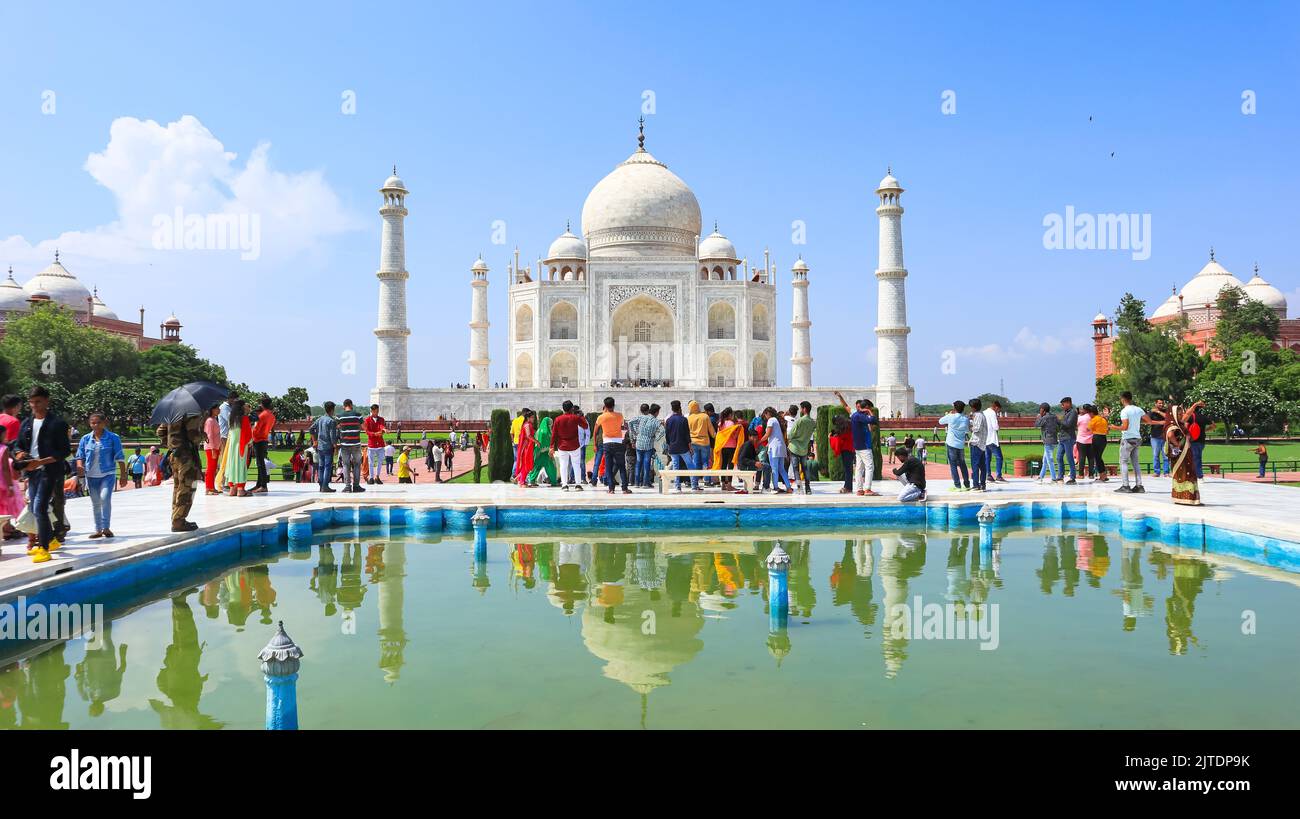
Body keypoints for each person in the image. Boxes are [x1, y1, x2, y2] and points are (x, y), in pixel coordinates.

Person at [15, 387, 71, 562]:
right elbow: (18, 445)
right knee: (34, 508)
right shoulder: (27, 422)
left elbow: (64, 451)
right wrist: (19, 453)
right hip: (32, 471)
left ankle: (44, 548)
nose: (34, 405)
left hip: (49, 471)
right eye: (31, 402)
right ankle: (51, 539)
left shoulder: (57, 424)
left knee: (40, 508)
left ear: (47, 401)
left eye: (38, 401)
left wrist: (40, 462)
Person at [75, 411, 129, 538]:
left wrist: (123, 475)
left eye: (98, 423)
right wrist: (79, 466)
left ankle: (106, 527)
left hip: (107, 474)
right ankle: (98, 529)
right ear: (89, 424)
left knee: (105, 498)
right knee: (95, 503)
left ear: (104, 423)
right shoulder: (85, 439)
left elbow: (120, 457)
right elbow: (80, 455)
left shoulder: (113, 438)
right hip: (91, 475)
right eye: (93, 423)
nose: (96, 425)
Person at [156, 409, 205, 532]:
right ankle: (179, 521)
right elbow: (193, 436)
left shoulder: (172, 412)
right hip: (186, 456)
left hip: (174, 455)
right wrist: (203, 435)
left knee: (178, 487)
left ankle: (176, 517)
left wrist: (172, 444)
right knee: (186, 488)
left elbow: (160, 431)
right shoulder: (192, 412)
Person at [835, 391, 880, 496]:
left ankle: (859, 489)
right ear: (866, 407)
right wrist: (869, 411)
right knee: (869, 467)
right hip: (864, 446)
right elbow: (874, 420)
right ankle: (867, 489)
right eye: (869, 408)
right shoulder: (860, 416)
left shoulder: (855, 415)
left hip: (857, 446)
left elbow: (871, 425)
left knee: (859, 468)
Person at [1166, 405, 1201, 505]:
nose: (1181, 415)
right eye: (1179, 414)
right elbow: (1170, 435)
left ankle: (1187, 498)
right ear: (1173, 414)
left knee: (1188, 474)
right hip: (1180, 455)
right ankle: (1185, 498)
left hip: (1186, 453)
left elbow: (1188, 414)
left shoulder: (1179, 423)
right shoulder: (1172, 425)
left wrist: (1195, 405)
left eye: (1182, 413)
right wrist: (1177, 444)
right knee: (1184, 474)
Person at [552, 401, 588, 491]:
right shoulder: (575, 418)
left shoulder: (558, 419)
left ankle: (564, 485)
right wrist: (581, 416)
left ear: (563, 409)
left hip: (562, 445)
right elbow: (585, 426)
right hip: (574, 445)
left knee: (563, 465)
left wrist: (551, 446)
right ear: (572, 408)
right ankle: (578, 485)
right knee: (576, 465)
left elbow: (554, 434)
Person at [220, 399, 253, 497]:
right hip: (241, 445)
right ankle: (240, 489)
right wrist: (250, 443)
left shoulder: (231, 418)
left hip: (232, 446)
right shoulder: (244, 418)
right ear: (241, 407)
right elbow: (248, 434)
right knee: (240, 466)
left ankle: (232, 489)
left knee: (232, 466)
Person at [597, 397, 630, 494]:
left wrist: (605, 413)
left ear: (605, 406)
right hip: (618, 442)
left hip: (607, 443)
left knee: (608, 466)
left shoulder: (601, 417)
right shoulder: (620, 416)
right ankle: (624, 488)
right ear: (614, 405)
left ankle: (611, 488)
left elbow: (596, 429)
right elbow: (622, 425)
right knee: (621, 466)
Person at [937, 400, 972, 491]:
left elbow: (940, 421)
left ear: (954, 408)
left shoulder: (951, 417)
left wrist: (949, 414)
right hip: (960, 445)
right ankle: (967, 484)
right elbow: (967, 430)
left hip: (951, 443)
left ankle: (957, 486)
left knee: (953, 465)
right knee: (963, 465)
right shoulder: (965, 419)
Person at [1115, 391, 1145, 494]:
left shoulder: (1124, 411)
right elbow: (1148, 420)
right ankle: (1139, 486)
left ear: (1123, 399)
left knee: (1123, 462)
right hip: (1137, 438)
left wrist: (1114, 427)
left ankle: (1126, 486)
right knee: (1135, 462)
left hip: (1127, 439)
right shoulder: (1138, 409)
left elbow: (1125, 427)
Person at [663, 400, 696, 491]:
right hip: (683, 448)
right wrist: (690, 447)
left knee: (676, 467)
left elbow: (667, 435)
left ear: (672, 409)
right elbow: (687, 435)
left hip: (673, 448)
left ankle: (677, 486)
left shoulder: (669, 420)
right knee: (690, 465)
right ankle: (694, 485)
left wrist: (669, 445)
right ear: (680, 408)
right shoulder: (684, 419)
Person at [711, 408, 746, 490]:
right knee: (730, 466)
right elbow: (734, 436)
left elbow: (719, 436)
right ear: (730, 415)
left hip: (723, 446)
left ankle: (723, 484)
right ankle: (729, 485)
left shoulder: (720, 423)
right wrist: (738, 430)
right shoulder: (731, 423)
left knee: (723, 465)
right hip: (731, 447)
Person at [0, 428, 25, 541]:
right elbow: (5, 468)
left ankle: (6, 528)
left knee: (2, 506)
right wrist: (10, 486)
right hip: (4, 481)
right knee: (8, 504)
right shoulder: (4, 449)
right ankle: (7, 529)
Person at [308, 401, 339, 493]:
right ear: (332, 409)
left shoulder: (320, 419)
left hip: (320, 446)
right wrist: (335, 446)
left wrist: (314, 440)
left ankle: (321, 485)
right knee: (327, 467)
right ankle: (325, 486)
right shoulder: (331, 421)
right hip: (328, 446)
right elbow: (332, 436)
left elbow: (311, 429)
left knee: (321, 466)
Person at [336, 399, 365, 493]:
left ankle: (347, 486)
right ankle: (356, 486)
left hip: (345, 444)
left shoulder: (339, 416)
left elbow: (336, 427)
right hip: (356, 443)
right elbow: (364, 427)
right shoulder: (358, 415)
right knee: (357, 465)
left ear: (344, 406)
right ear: (351, 405)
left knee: (346, 465)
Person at [787, 402, 816, 494]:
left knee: (796, 468)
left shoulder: (800, 421)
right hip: (804, 448)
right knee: (805, 468)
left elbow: (790, 435)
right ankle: (808, 488)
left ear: (804, 409)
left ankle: (800, 488)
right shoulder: (812, 422)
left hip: (794, 447)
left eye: (801, 408)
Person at [249, 397, 275, 493]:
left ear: (262, 404)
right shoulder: (272, 415)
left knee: (260, 464)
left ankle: (263, 485)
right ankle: (259, 485)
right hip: (264, 439)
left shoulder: (262, 415)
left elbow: (256, 430)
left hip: (258, 440)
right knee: (261, 463)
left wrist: (252, 436)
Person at [686, 401, 715, 486]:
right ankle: (706, 480)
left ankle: (696, 480)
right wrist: (715, 436)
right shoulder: (705, 416)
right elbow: (711, 430)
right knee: (705, 462)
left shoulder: (689, 418)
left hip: (693, 442)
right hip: (704, 442)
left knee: (695, 462)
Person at [633, 404, 661, 488]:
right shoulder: (656, 421)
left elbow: (630, 422)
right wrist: (656, 438)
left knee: (638, 463)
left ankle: (637, 483)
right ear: (656, 412)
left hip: (639, 443)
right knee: (646, 464)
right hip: (648, 444)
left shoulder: (642, 417)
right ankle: (645, 483)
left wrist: (635, 434)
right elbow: (662, 431)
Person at [1034, 403, 1061, 483]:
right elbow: (1060, 425)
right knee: (1045, 460)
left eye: (1040, 410)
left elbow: (1037, 424)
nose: (1040, 411)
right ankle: (1041, 476)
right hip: (1054, 440)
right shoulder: (1054, 416)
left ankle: (1053, 478)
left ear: (1043, 410)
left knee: (1050, 461)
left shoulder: (1044, 418)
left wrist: (1039, 417)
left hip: (1048, 441)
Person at [528, 416, 558, 487]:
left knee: (548, 467)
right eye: (550, 423)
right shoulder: (542, 432)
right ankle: (532, 481)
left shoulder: (546, 431)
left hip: (546, 453)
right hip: (541, 453)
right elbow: (538, 443)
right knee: (542, 467)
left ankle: (553, 482)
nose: (551, 425)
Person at [829, 414, 855, 494]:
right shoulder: (849, 424)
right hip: (851, 448)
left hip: (846, 449)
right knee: (849, 469)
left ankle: (848, 487)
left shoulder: (843, 428)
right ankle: (847, 486)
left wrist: (831, 437)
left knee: (848, 469)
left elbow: (838, 440)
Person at [1144, 399, 1169, 478]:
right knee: (1155, 455)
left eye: (1162, 403)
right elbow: (1147, 421)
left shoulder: (1165, 411)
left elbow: (1168, 418)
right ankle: (1156, 472)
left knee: (1166, 456)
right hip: (1155, 437)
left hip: (1165, 437)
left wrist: (1158, 412)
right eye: (1159, 403)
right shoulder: (1151, 412)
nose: (1161, 404)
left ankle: (1166, 472)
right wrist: (1159, 422)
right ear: (1155, 404)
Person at [1184, 399, 1209, 479]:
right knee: (1198, 458)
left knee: (1193, 458)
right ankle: (1198, 474)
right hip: (1201, 440)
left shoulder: (1190, 417)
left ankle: (1198, 475)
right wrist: (1204, 430)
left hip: (1192, 440)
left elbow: (1186, 427)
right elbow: (1213, 425)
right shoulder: (1203, 417)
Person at [363, 404, 387, 485]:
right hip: (372, 444)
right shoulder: (367, 420)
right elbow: (367, 431)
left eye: (377, 411)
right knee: (371, 462)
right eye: (374, 411)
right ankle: (371, 478)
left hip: (380, 443)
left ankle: (377, 477)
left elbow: (381, 426)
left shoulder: (381, 419)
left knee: (380, 461)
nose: (376, 413)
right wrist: (375, 434)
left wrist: (384, 429)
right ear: (371, 411)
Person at [968, 398, 988, 491]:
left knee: (975, 465)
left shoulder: (978, 415)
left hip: (976, 443)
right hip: (982, 443)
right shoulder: (982, 415)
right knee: (982, 465)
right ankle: (982, 484)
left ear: (973, 407)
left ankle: (976, 485)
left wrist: (970, 426)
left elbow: (976, 428)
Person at [1057, 397, 1079, 485]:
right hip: (1062, 438)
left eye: (1063, 404)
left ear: (1068, 403)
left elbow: (1068, 424)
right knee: (1059, 457)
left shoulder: (1073, 412)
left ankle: (1073, 477)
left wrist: (1059, 421)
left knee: (1069, 458)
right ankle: (1060, 476)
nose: (1062, 406)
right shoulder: (1066, 413)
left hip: (1069, 438)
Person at [202, 405, 222, 495]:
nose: (219, 410)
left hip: (215, 447)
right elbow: (209, 435)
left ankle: (211, 487)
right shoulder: (210, 421)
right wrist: (213, 448)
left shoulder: (214, 419)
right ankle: (208, 488)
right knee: (210, 468)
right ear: (212, 410)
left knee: (213, 468)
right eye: (217, 408)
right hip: (211, 448)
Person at [984, 400, 1005, 482]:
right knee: (999, 457)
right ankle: (998, 476)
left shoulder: (984, 412)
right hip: (992, 439)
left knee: (987, 458)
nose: (998, 412)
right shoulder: (992, 413)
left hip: (985, 438)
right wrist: (998, 427)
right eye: (998, 410)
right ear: (996, 407)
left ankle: (988, 475)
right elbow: (995, 426)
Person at [515, 410, 537, 486]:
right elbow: (528, 435)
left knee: (527, 464)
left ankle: (521, 479)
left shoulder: (528, 424)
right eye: (532, 417)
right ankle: (522, 481)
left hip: (528, 447)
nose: (533, 419)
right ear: (528, 418)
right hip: (526, 448)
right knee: (526, 464)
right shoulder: (527, 425)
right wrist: (537, 442)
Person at [1088, 406, 1110, 481]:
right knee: (1099, 457)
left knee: (1097, 458)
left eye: (1089, 413)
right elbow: (1107, 431)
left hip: (1097, 438)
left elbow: (1088, 428)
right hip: (1104, 439)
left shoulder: (1094, 419)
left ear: (1091, 413)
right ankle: (1104, 475)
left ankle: (1102, 476)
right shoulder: (1103, 419)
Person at [1076, 403, 1095, 479]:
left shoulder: (1081, 418)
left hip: (1081, 440)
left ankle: (1081, 474)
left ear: (1084, 410)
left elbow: (1075, 425)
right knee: (1091, 458)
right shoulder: (1092, 418)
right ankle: (1091, 474)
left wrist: (1079, 415)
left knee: (1082, 457)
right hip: (1091, 440)